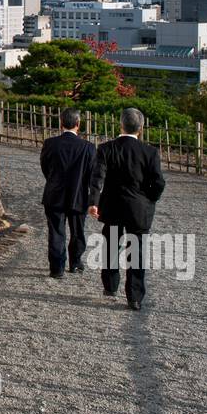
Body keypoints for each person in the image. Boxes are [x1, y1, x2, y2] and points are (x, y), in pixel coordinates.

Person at [87, 107, 166, 310]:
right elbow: (158, 182)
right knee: (137, 251)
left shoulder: (106, 148)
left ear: (121, 124)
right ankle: (134, 296)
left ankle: (111, 285)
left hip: (112, 204)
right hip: (139, 206)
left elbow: (97, 178)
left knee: (111, 244)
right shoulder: (150, 152)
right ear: (140, 128)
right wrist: (150, 199)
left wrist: (93, 201)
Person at [39, 107, 96, 278]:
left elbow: (45, 167)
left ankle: (57, 268)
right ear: (78, 124)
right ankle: (76, 262)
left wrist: (53, 180)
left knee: (56, 232)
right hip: (78, 195)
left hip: (54, 193)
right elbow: (92, 174)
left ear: (61, 123)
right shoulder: (88, 147)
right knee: (78, 231)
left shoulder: (50, 144)